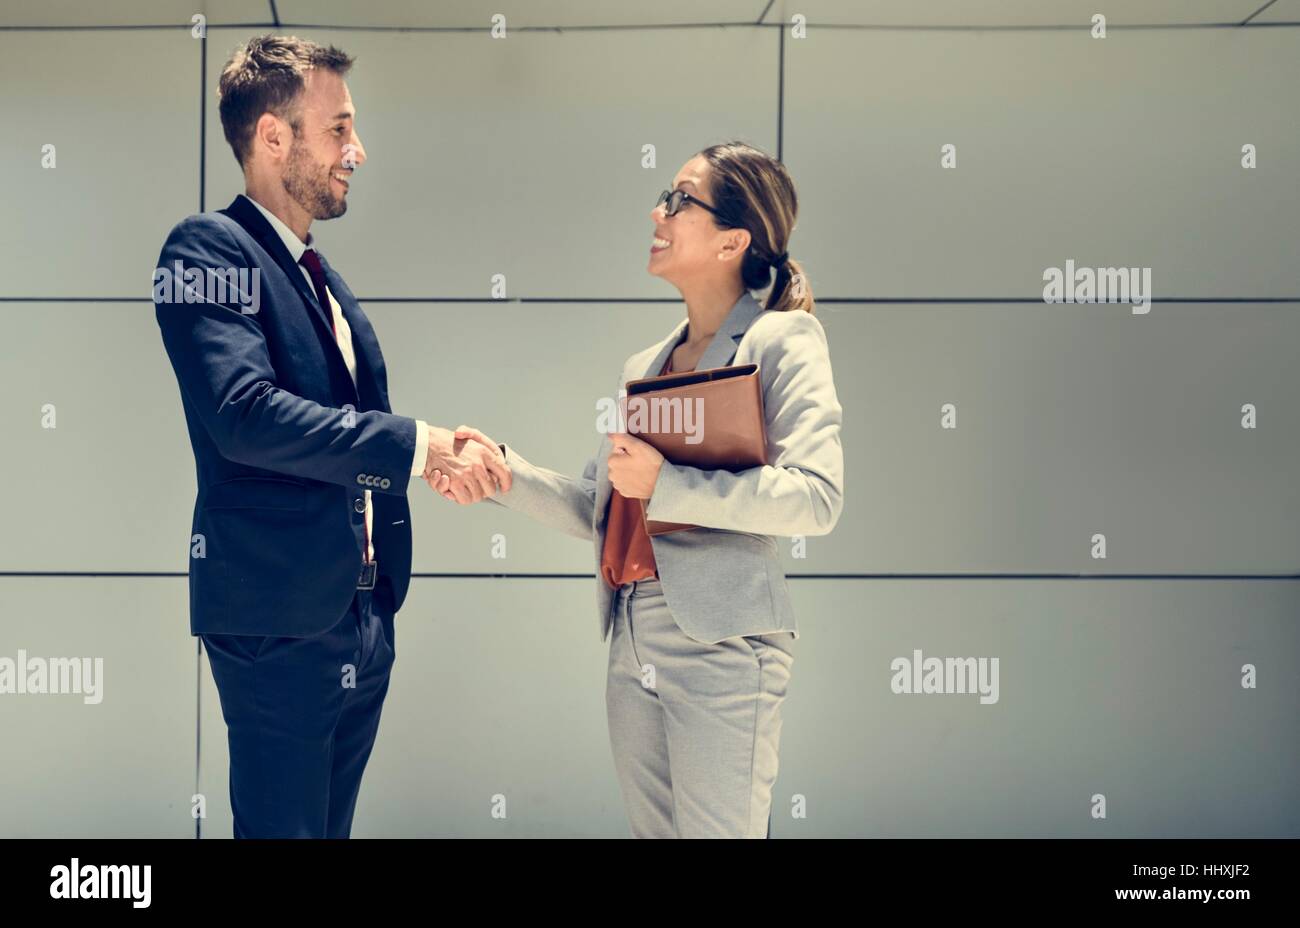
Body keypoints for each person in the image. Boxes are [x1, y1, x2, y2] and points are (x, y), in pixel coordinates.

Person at [432, 141, 844, 838]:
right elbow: (603, 506)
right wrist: (505, 472)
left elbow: (815, 497)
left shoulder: (782, 340)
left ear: (732, 241)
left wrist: (670, 485)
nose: (658, 212)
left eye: (681, 200)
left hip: (725, 642)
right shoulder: (646, 364)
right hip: (632, 638)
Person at [152, 34, 507, 838]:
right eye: (339, 128)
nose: (359, 150)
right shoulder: (207, 249)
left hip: (358, 617)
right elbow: (243, 413)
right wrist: (417, 448)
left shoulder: (320, 278)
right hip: (279, 626)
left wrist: (427, 458)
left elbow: (341, 435)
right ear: (274, 138)